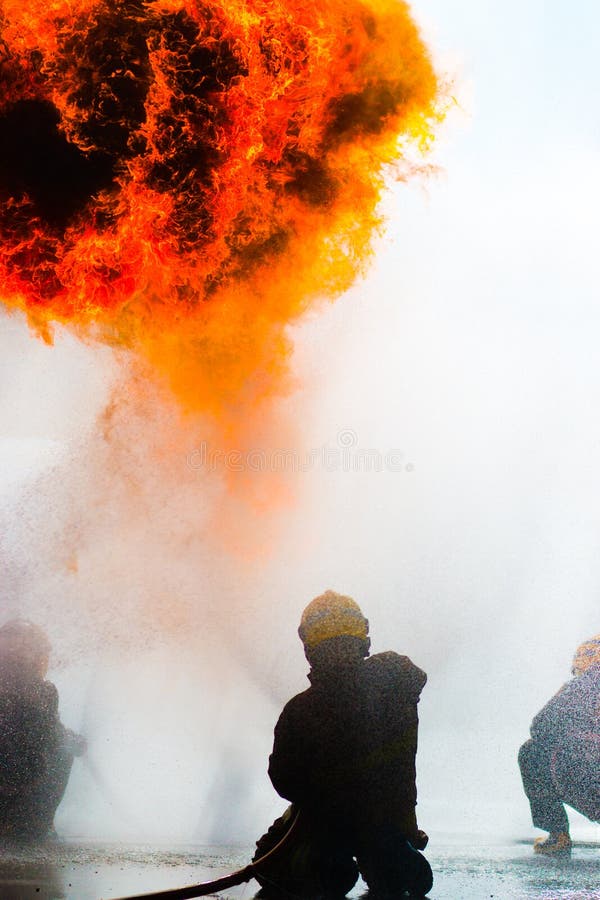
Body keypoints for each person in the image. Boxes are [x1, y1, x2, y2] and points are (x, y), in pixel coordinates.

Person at [253, 590, 432, 899]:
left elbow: (284, 780)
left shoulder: (300, 710)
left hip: (322, 825)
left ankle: (324, 865)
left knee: (267, 859)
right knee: (395, 867)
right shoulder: (394, 690)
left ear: (310, 647)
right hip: (382, 822)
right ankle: (391, 859)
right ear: (362, 637)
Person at [0, 619, 86, 841]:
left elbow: (48, 729)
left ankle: (29, 823)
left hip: (14, 784)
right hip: (20, 793)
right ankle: (37, 824)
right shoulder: (41, 691)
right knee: (65, 751)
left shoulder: (38, 691)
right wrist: (72, 741)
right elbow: (51, 735)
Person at [518, 633, 600, 856]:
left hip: (584, 774)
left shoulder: (581, 685)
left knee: (531, 752)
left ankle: (558, 835)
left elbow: (540, 727)